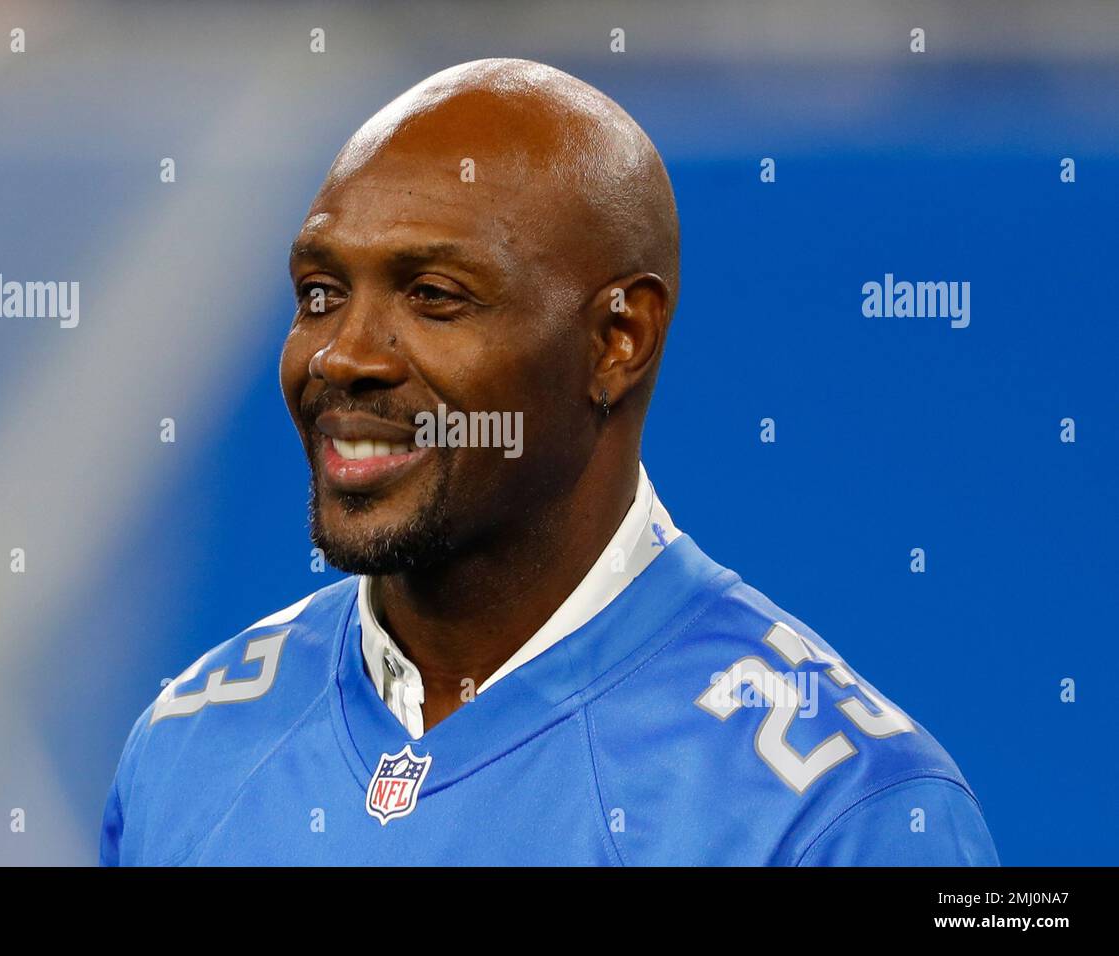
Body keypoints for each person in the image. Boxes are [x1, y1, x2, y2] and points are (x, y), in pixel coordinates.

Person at [101, 58, 998, 866]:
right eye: (321, 294)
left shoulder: (838, 813)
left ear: (618, 340)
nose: (342, 356)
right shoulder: (190, 742)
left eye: (432, 296)